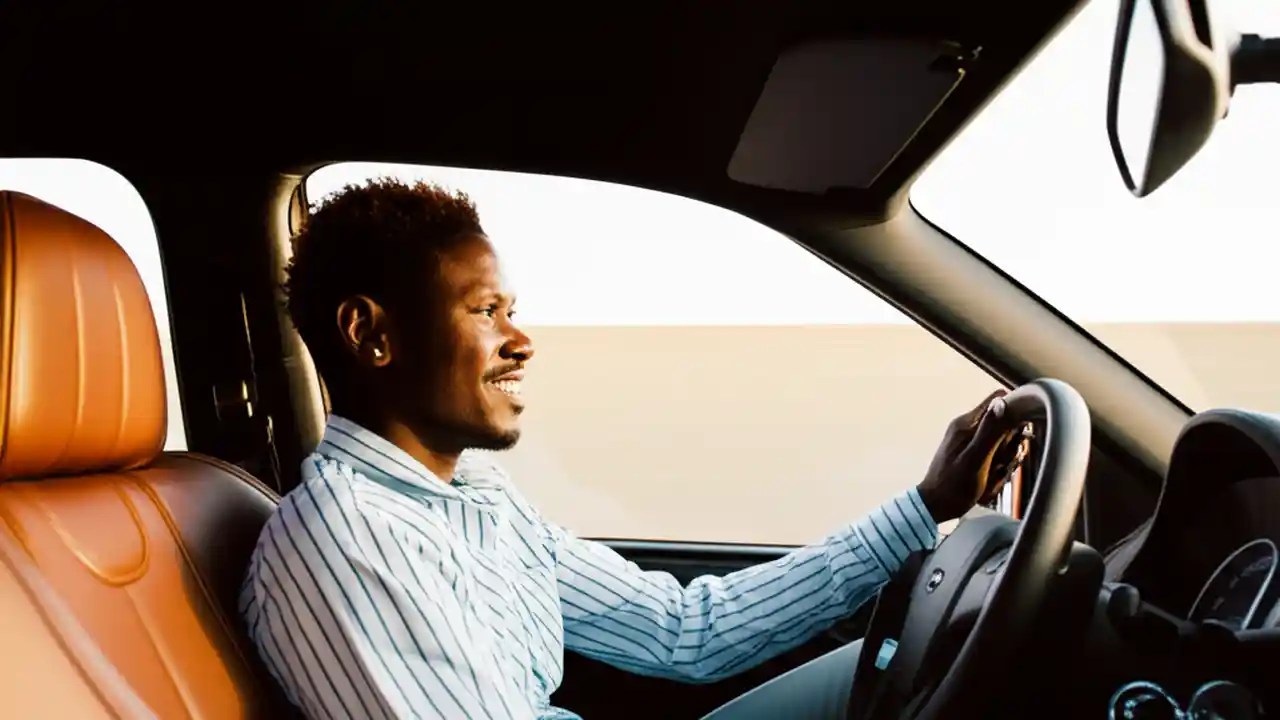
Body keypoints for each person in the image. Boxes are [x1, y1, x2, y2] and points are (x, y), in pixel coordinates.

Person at [239, 178, 1012, 720]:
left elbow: (682, 630)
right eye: (486, 311)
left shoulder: (473, 496)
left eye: (513, 310)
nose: (521, 340)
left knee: (908, 663)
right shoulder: (347, 538)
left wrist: (927, 507)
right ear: (370, 334)